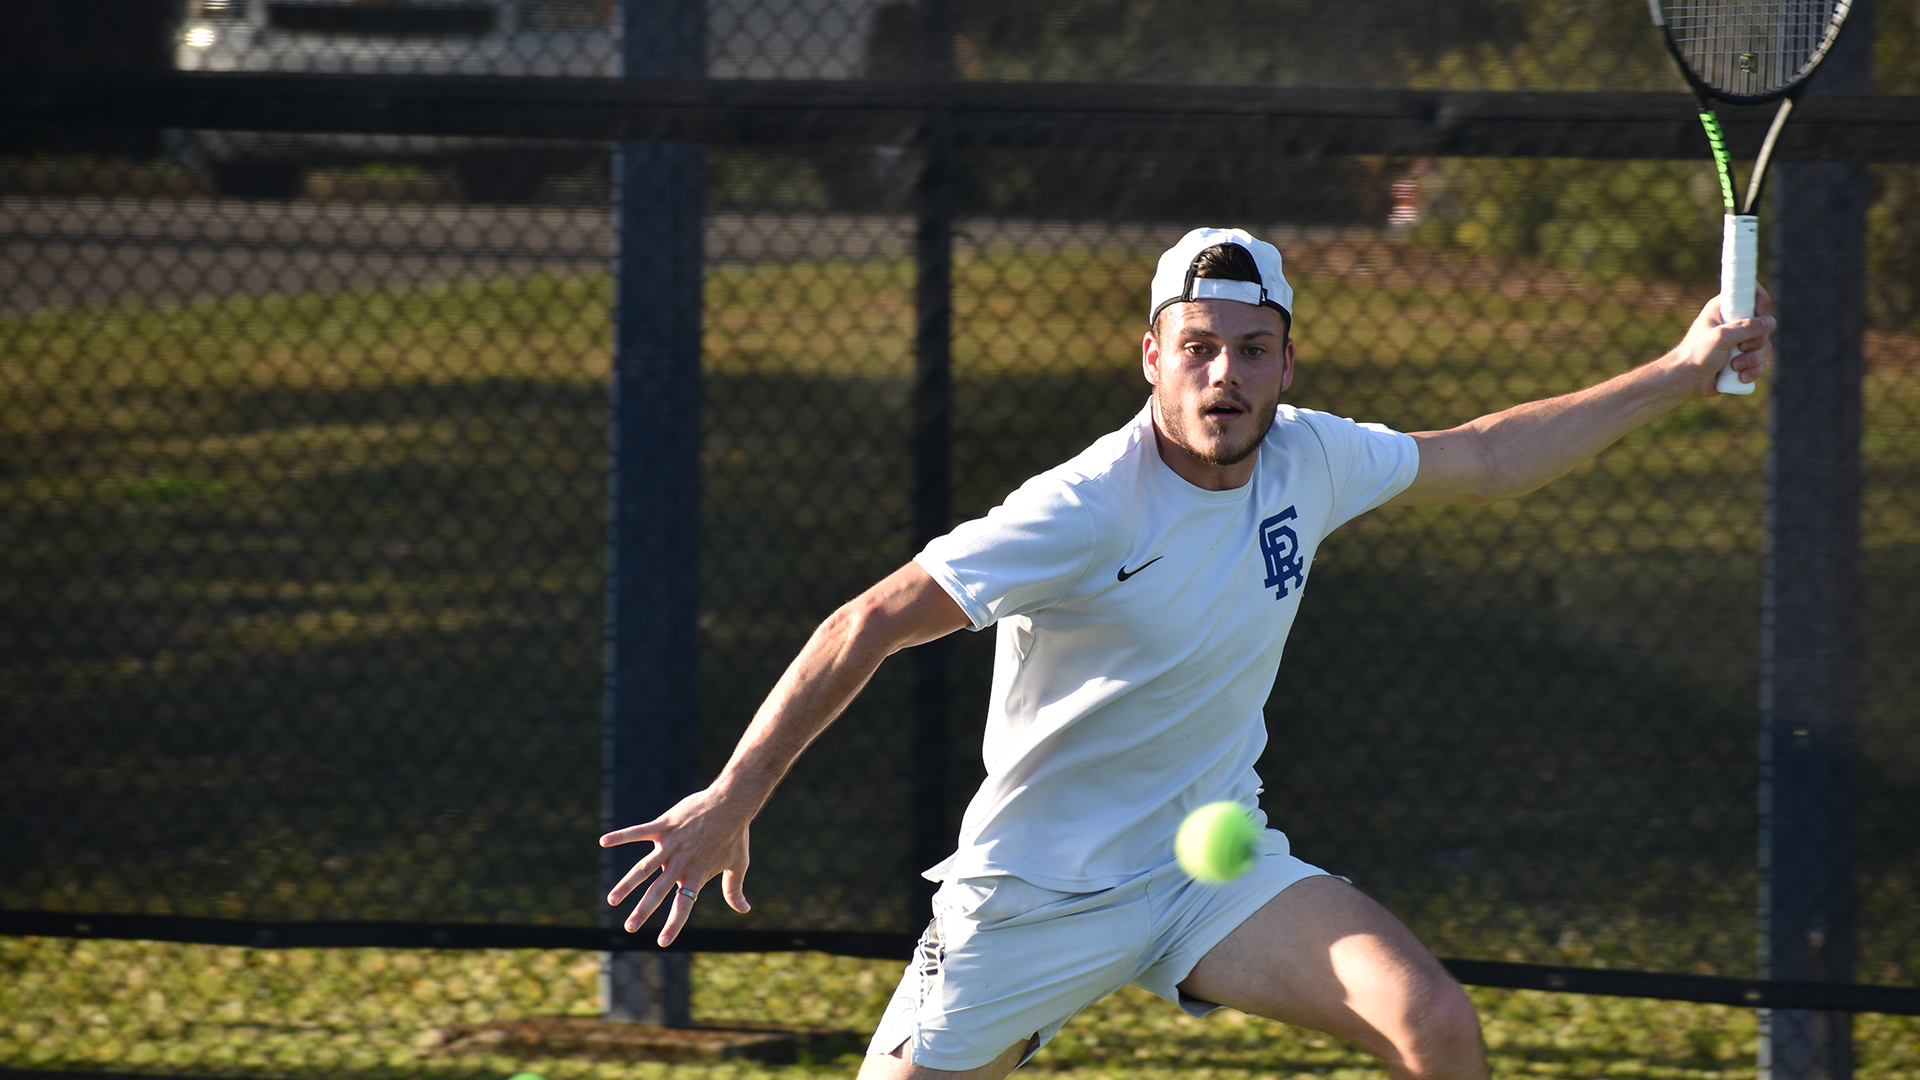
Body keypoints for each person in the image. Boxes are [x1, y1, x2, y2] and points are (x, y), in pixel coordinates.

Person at [600, 227, 1774, 1080]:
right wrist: (732, 798)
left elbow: (1484, 456)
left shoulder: (1310, 460)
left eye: (1253, 351)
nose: (1226, 376)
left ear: (1286, 364)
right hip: (1032, 895)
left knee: (1434, 1023)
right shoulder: (1080, 509)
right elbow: (863, 622)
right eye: (1201, 348)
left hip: (1207, 871)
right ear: (1152, 357)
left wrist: (1677, 371)